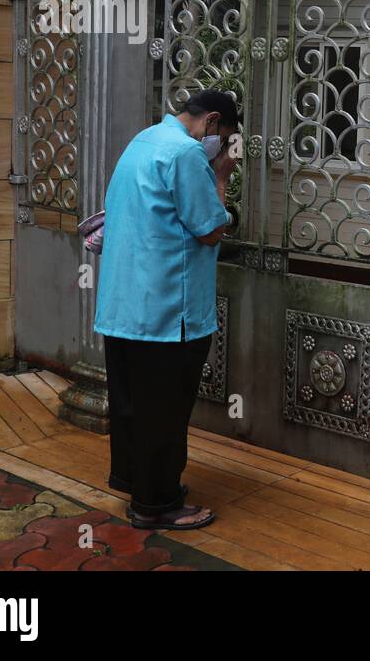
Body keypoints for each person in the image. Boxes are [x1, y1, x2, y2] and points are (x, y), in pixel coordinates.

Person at [94, 89, 240, 531]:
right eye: (226, 136)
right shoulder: (185, 154)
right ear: (212, 122)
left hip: (123, 305)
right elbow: (210, 229)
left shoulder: (143, 140)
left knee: (131, 401)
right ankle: (156, 505)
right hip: (166, 310)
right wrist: (222, 178)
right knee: (164, 408)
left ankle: (135, 480)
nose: (222, 145)